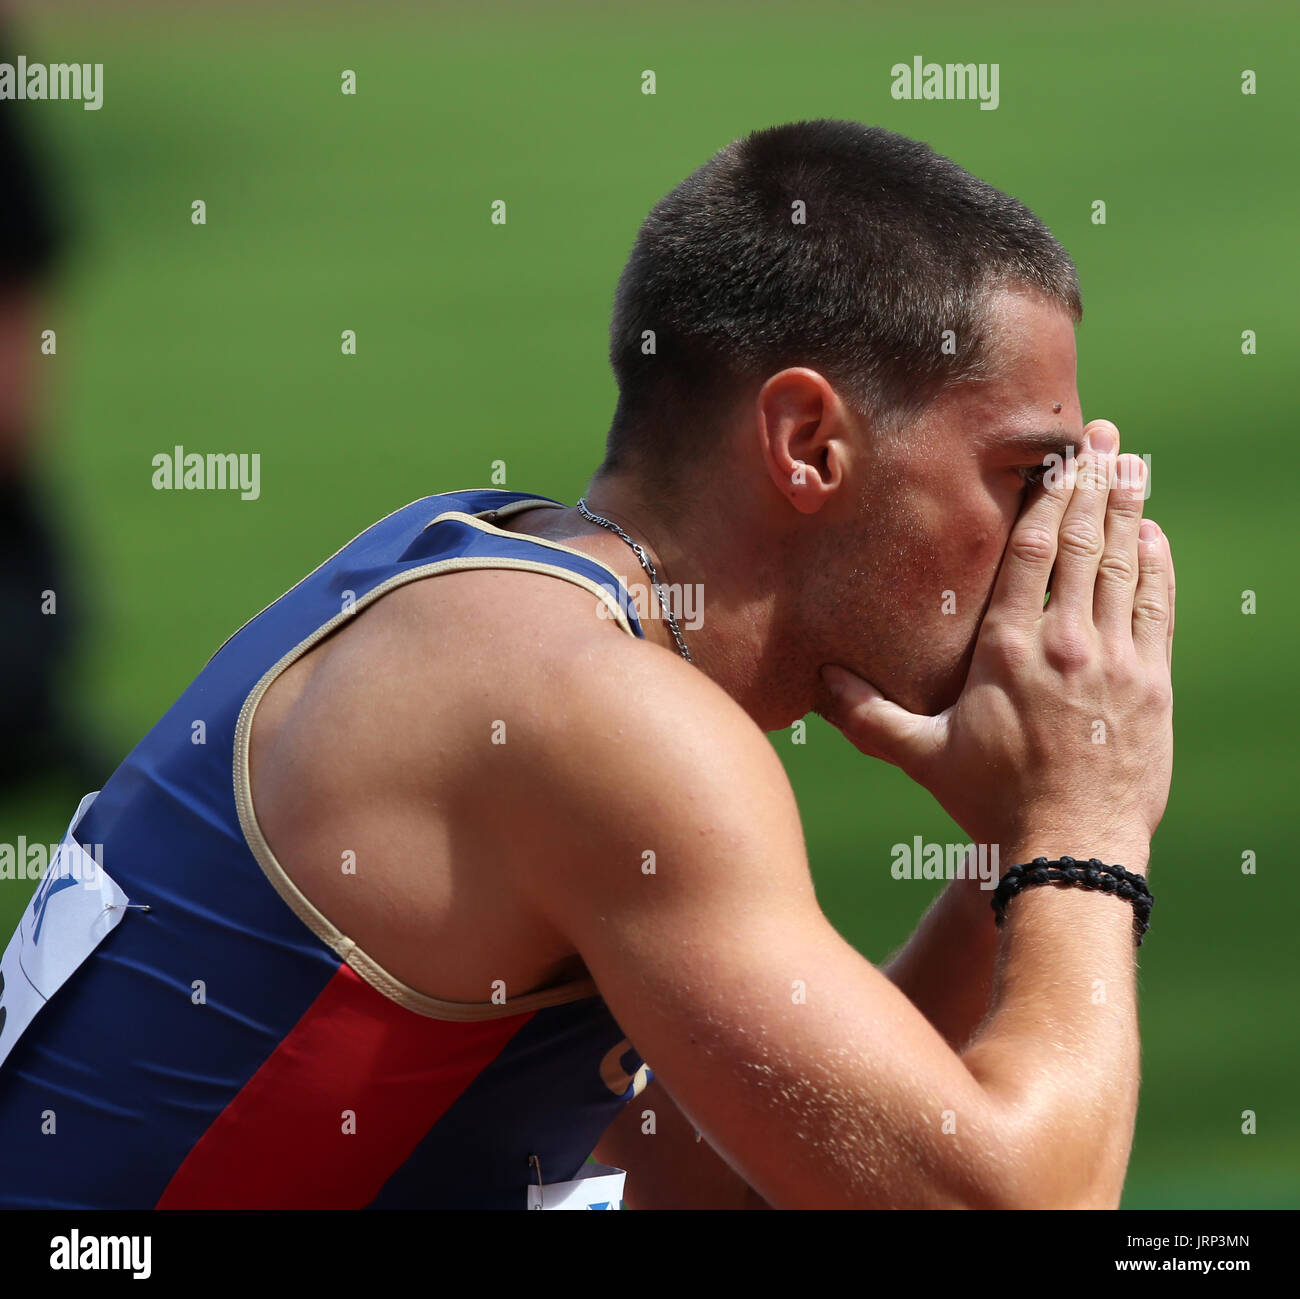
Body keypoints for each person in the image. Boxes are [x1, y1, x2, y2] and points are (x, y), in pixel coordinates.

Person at [0, 119, 1174, 1209]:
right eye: (1026, 474)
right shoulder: (587, 713)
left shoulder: (481, 579)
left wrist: (1004, 874)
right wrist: (1090, 823)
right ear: (809, 443)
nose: (1049, 538)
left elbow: (744, 1183)